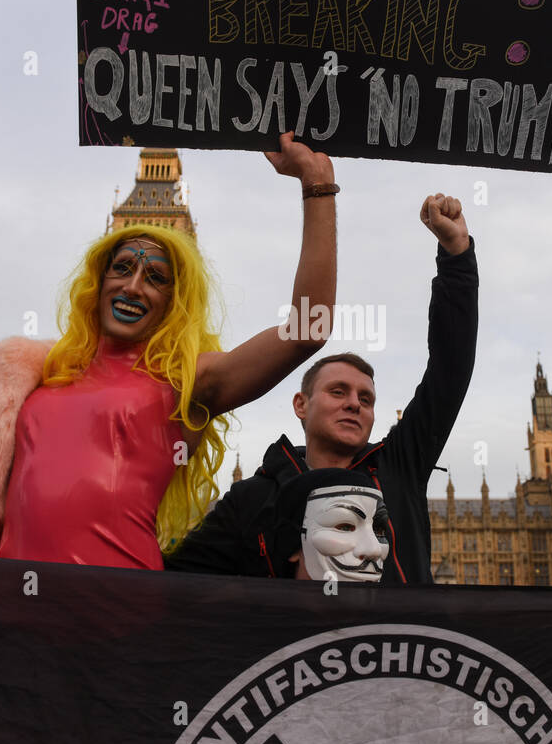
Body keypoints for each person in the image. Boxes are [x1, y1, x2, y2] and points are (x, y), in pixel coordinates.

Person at [0, 132, 337, 580]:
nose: (134, 285)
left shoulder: (184, 379)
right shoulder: (39, 375)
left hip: (113, 616)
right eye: (123, 267)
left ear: (174, 301)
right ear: (98, 279)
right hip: (6, 618)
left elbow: (307, 331)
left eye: (155, 276)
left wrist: (316, 186)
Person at [164, 192, 477, 584]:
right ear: (301, 404)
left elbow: (450, 369)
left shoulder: (399, 468)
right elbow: (166, 580)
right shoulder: (253, 499)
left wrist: (456, 255)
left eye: (366, 399)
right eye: (338, 392)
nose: (354, 404)